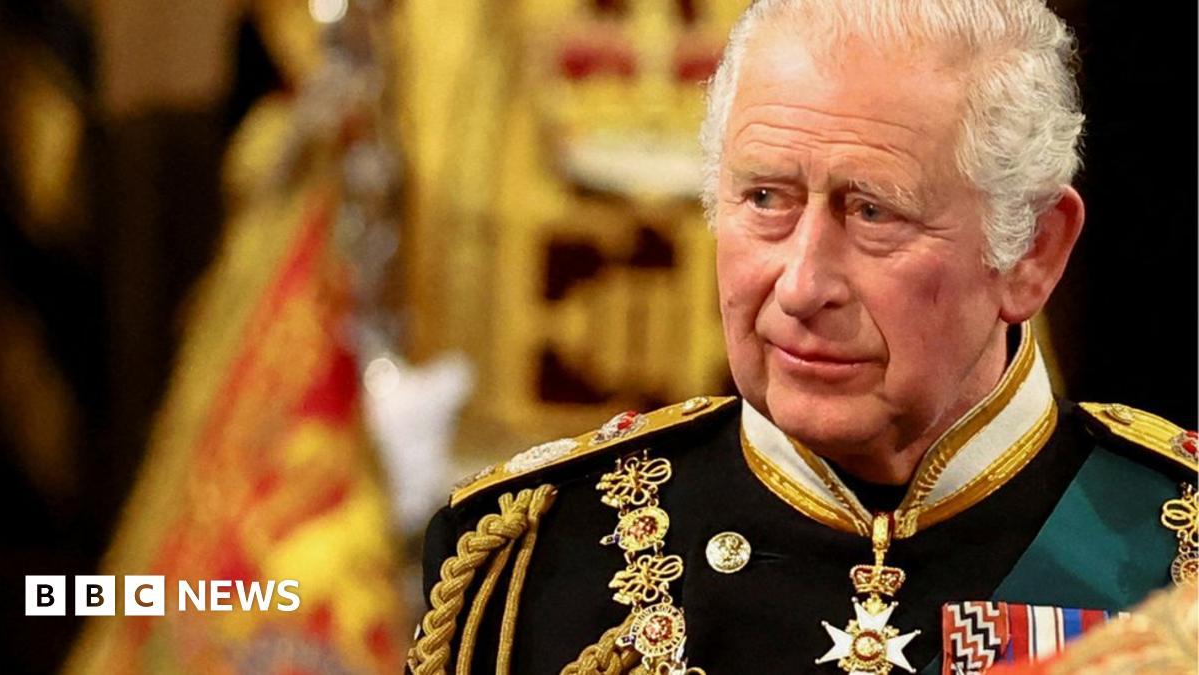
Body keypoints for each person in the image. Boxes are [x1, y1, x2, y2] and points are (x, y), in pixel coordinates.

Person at [406, 1, 1197, 674]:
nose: (801, 284)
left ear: (1031, 251)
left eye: (873, 211)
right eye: (765, 198)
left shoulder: (1177, 553)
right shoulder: (528, 562)